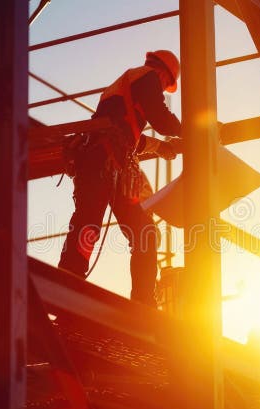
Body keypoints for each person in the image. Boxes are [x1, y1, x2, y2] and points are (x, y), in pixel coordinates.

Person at [59, 50, 182, 306]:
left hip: (107, 164)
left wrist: (160, 147)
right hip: (101, 162)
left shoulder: (128, 85)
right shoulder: (146, 77)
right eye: (164, 85)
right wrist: (191, 130)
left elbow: (128, 135)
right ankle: (69, 285)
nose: (161, 90)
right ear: (163, 74)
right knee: (89, 225)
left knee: (139, 231)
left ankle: (139, 300)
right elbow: (161, 119)